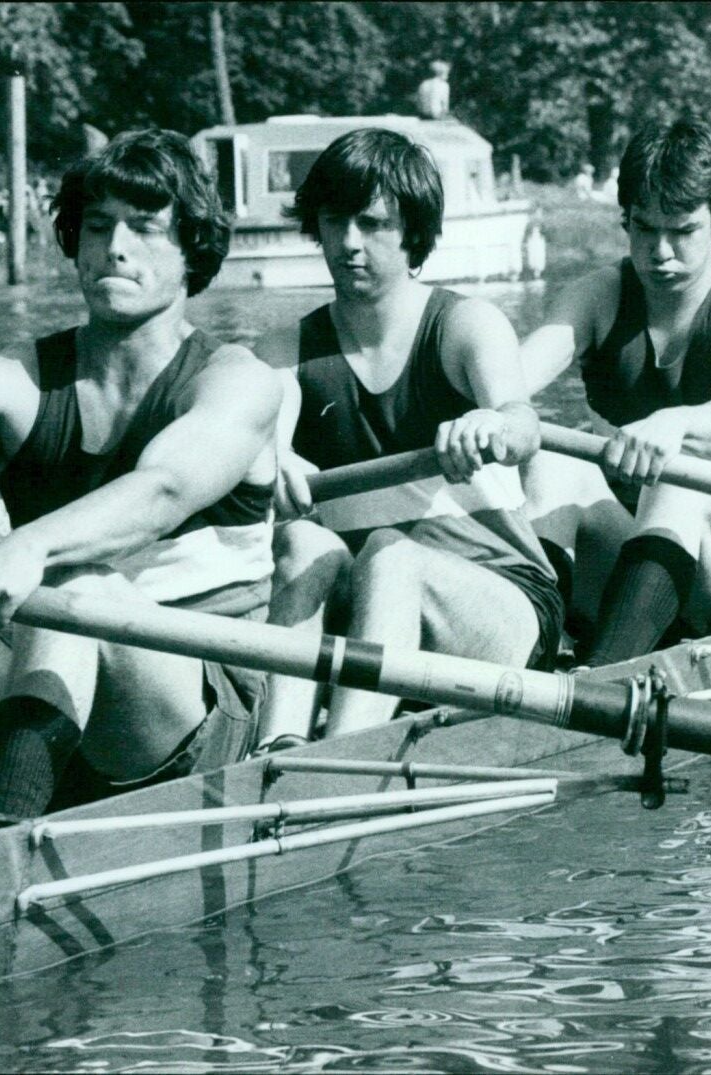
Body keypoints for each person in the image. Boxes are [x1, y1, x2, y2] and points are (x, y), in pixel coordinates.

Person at [0, 129, 280, 829]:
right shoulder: (6, 378)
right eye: (98, 227)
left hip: (199, 707)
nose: (116, 247)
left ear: (192, 249)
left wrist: (29, 546)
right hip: (52, 679)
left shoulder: (236, 381)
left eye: (145, 229)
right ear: (74, 243)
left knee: (73, 585)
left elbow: (163, 489)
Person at [251, 128, 561, 747]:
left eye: (371, 224)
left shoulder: (464, 325)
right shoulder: (284, 352)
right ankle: (277, 749)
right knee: (305, 541)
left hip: (498, 600)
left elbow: (523, 425)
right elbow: (257, 438)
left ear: (413, 232)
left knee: (390, 551)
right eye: (334, 221)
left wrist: (493, 423)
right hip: (366, 611)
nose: (346, 243)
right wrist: (268, 459)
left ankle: (339, 764)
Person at [520, 119, 711, 663]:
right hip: (634, 555)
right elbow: (511, 380)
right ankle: (529, 655)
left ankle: (594, 685)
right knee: (549, 465)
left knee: (678, 476)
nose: (660, 251)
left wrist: (674, 423)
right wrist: (486, 411)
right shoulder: (598, 295)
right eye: (644, 229)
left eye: (682, 231)